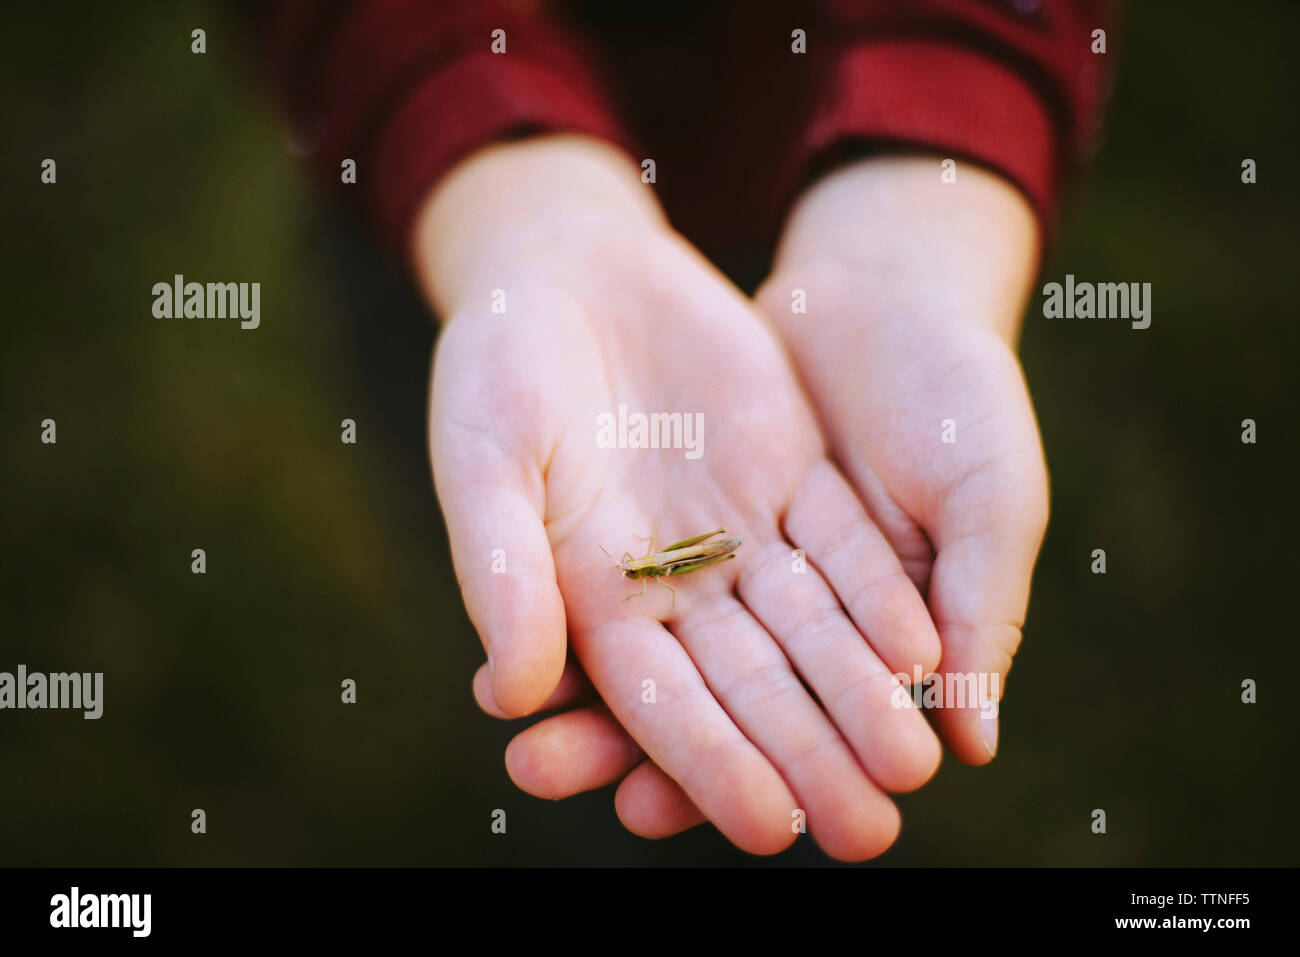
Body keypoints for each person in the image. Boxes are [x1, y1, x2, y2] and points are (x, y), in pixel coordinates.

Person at [249, 0, 1114, 860]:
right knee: (543, 627)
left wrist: (925, 203)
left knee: (828, 721)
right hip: (437, 197)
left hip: (794, 145)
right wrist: (502, 195)